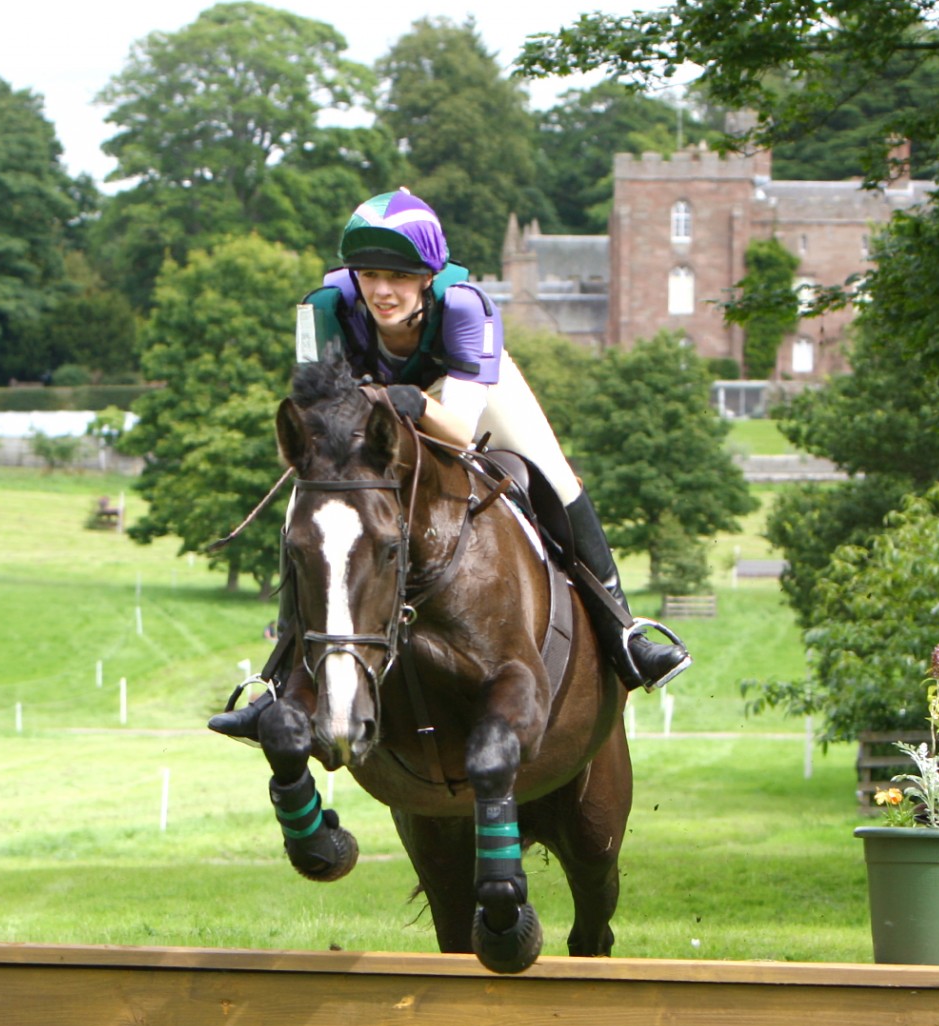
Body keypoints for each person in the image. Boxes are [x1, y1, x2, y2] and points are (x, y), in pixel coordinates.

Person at [209, 189, 689, 744]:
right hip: (376, 407)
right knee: (310, 503)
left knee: (552, 471)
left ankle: (623, 633)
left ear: (425, 277)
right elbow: (321, 426)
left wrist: (408, 400)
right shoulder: (322, 311)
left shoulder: (465, 306)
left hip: (464, 394)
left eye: (399, 276)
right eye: (368, 275)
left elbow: (461, 431)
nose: (382, 291)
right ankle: (279, 677)